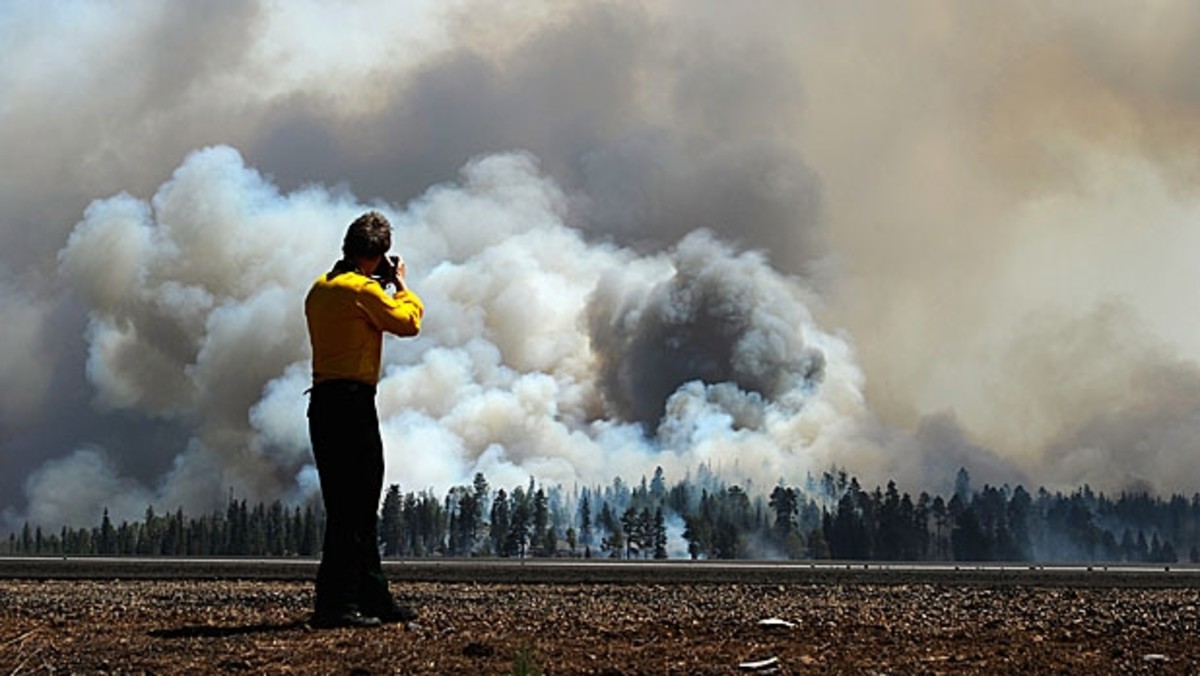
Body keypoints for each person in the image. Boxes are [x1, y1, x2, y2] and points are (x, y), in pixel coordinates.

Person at [304, 210, 425, 628]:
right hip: (353, 406)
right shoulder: (363, 291)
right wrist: (402, 286)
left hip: (322, 405)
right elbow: (409, 323)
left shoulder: (319, 289)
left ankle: (371, 596)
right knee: (355, 509)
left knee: (347, 506)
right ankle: (336, 605)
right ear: (379, 255)